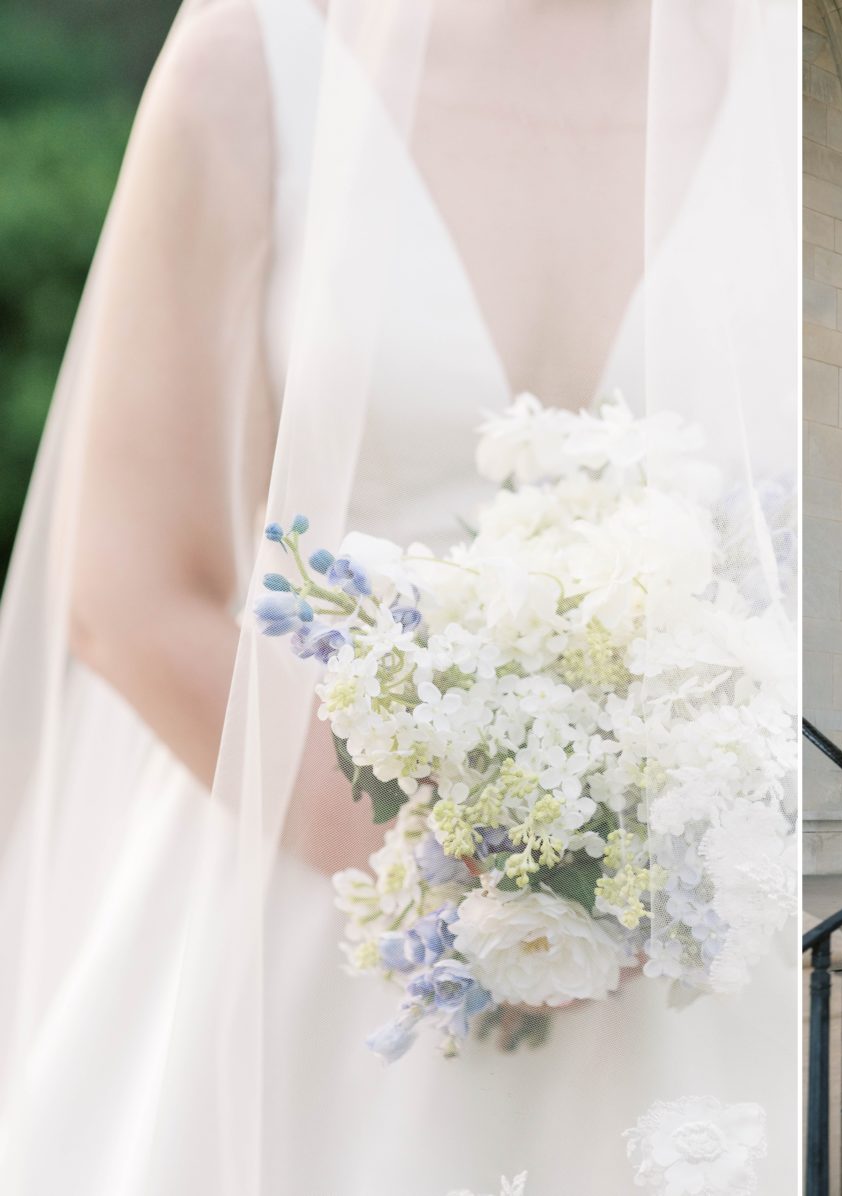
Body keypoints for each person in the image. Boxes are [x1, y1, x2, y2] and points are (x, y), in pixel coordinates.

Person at [0, 1, 798, 1192]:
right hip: (309, 915)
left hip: (696, 937)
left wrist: (661, 849)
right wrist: (470, 881)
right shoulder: (254, 60)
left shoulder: (793, 63)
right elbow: (128, 586)